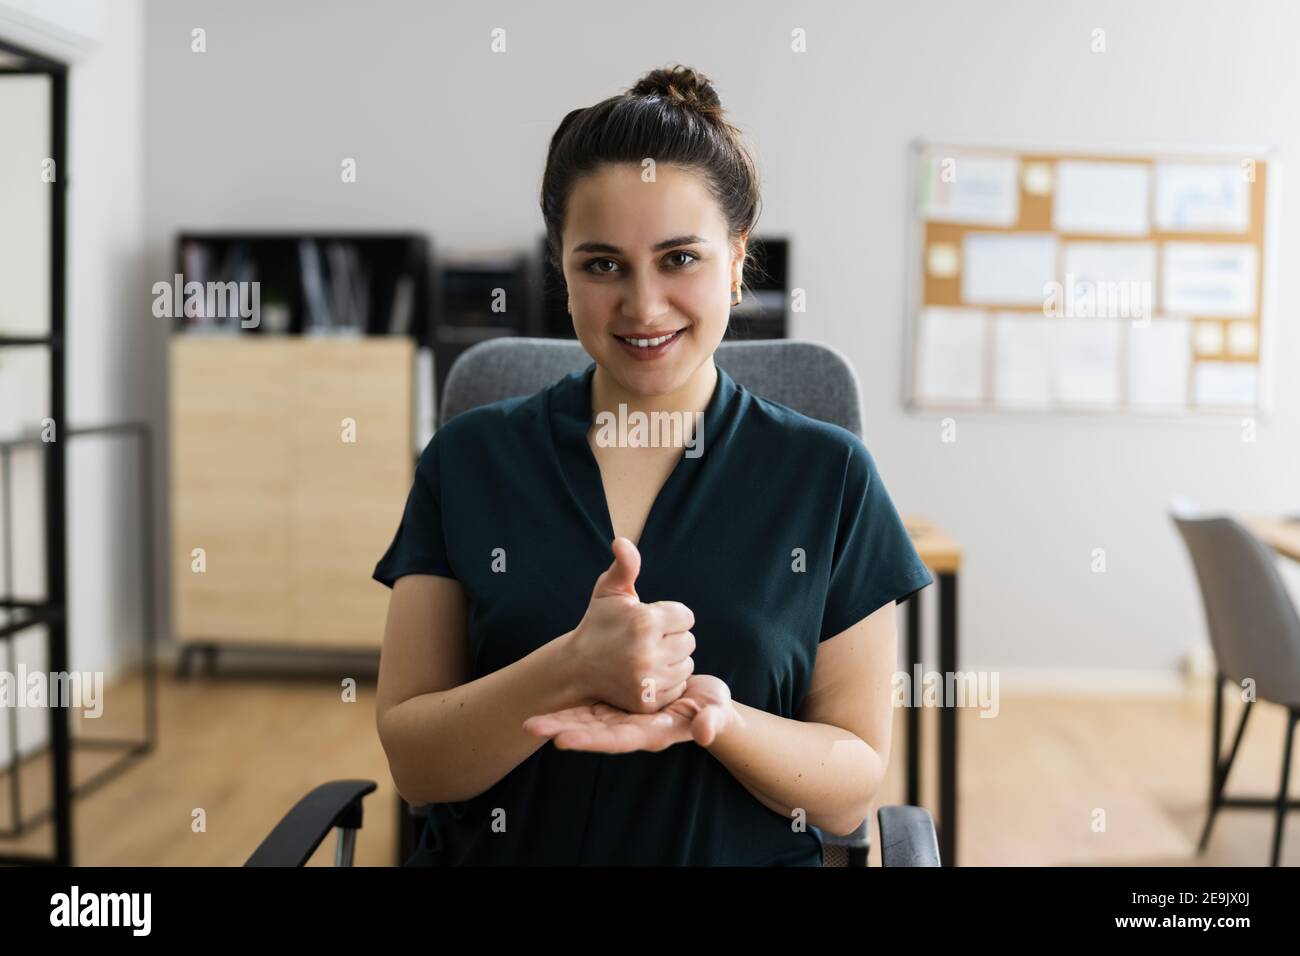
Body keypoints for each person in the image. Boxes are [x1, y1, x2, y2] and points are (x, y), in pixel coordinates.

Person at [373, 64, 933, 866]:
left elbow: (848, 790)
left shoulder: (830, 478)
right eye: (602, 264)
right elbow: (417, 766)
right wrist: (567, 670)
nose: (641, 306)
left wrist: (716, 719)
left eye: (680, 259)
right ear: (560, 270)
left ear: (738, 263)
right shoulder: (468, 460)